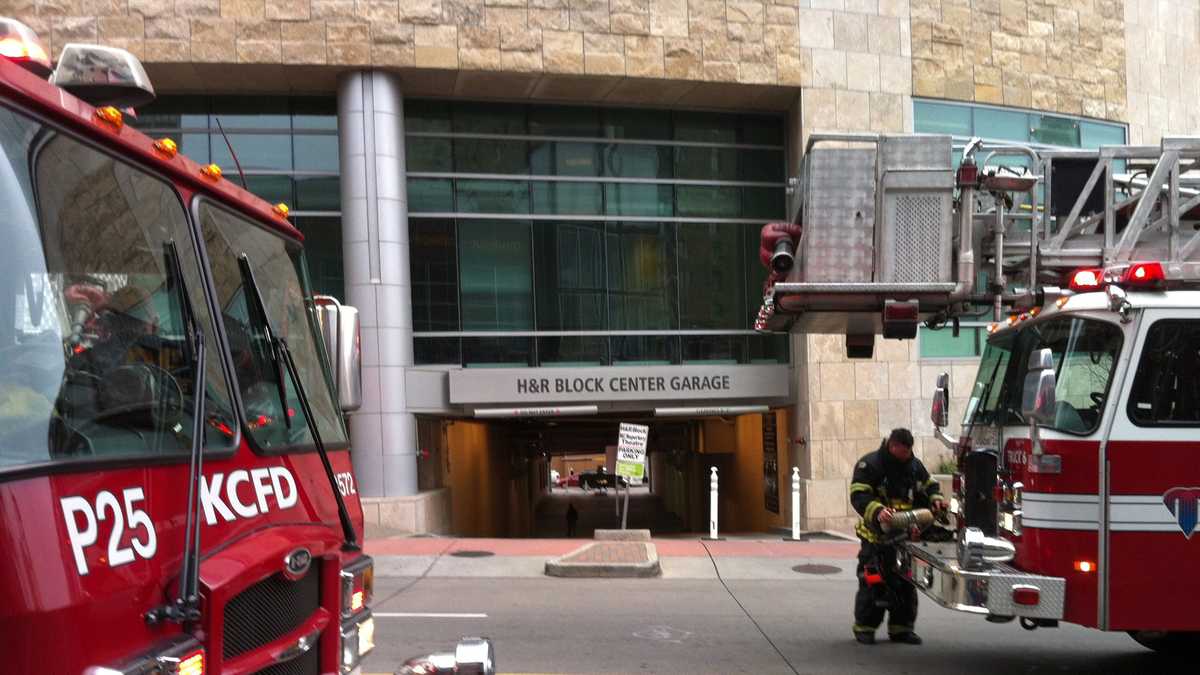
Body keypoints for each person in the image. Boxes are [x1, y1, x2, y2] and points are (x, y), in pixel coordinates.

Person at [849, 428, 947, 646]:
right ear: (892, 446)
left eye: (909, 452)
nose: (907, 456)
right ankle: (865, 628)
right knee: (872, 582)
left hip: (905, 539)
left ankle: (901, 629)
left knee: (905, 584)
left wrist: (936, 499)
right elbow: (858, 495)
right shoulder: (870, 465)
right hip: (876, 540)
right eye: (903, 452)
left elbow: (929, 485)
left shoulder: (913, 465)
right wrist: (877, 511)